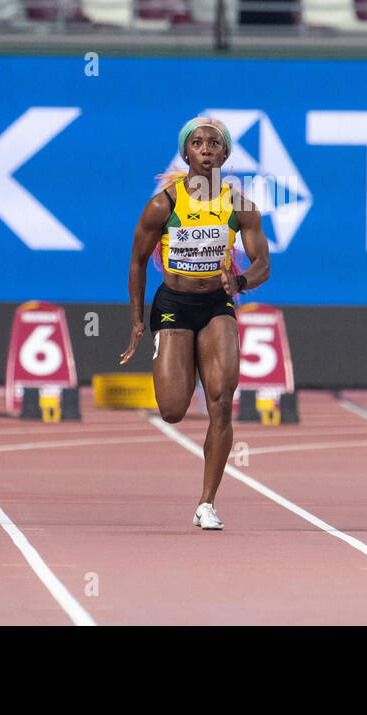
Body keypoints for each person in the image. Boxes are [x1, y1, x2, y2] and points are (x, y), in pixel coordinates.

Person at [120, 118, 271, 531]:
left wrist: (239, 281)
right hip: (173, 305)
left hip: (217, 304)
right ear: (186, 154)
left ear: (225, 155)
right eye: (198, 143)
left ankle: (207, 502)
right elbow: (136, 261)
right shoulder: (163, 205)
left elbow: (263, 264)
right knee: (172, 410)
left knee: (221, 401)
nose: (206, 149)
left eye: (214, 143)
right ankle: (177, 359)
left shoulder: (240, 206)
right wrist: (136, 320)